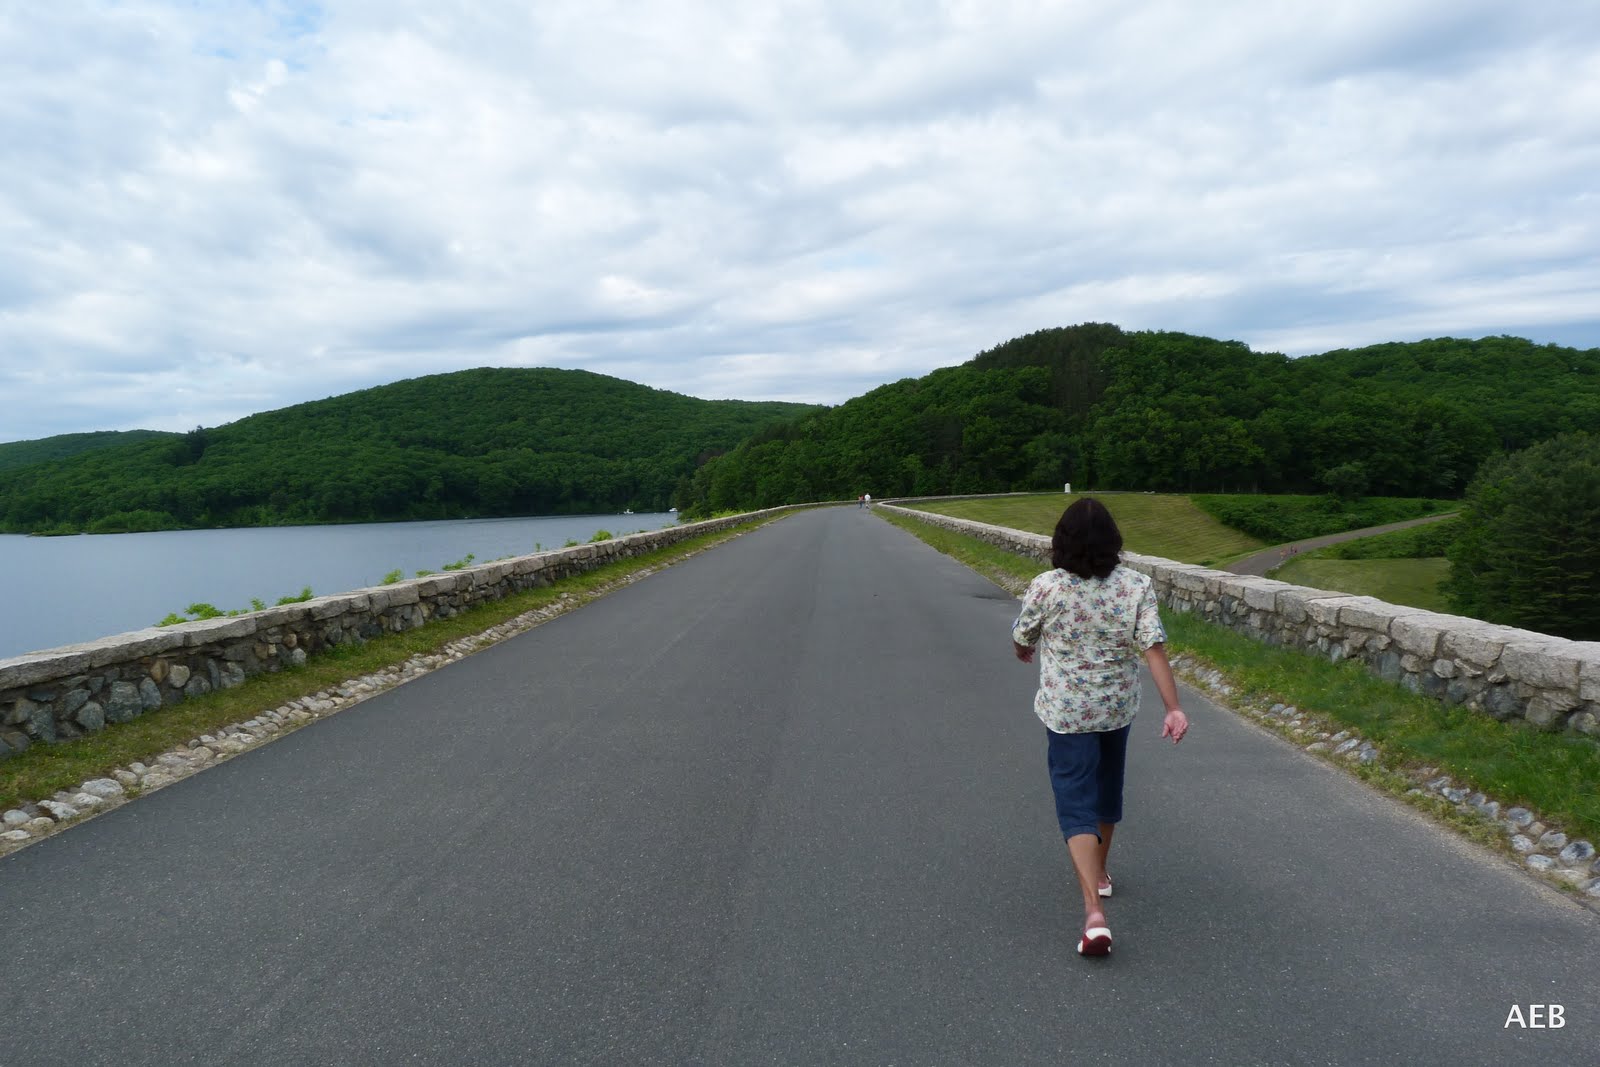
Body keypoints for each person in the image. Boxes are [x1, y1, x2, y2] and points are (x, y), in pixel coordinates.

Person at [1011, 497, 1189, 957]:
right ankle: (1101, 872)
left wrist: (1024, 649)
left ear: (1061, 542)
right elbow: (1153, 647)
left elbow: (1022, 634)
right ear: (1113, 542)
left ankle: (1093, 911)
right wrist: (1173, 708)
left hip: (1067, 713)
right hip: (1115, 709)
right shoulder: (1136, 586)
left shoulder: (1047, 586)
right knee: (1107, 791)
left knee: (1076, 802)